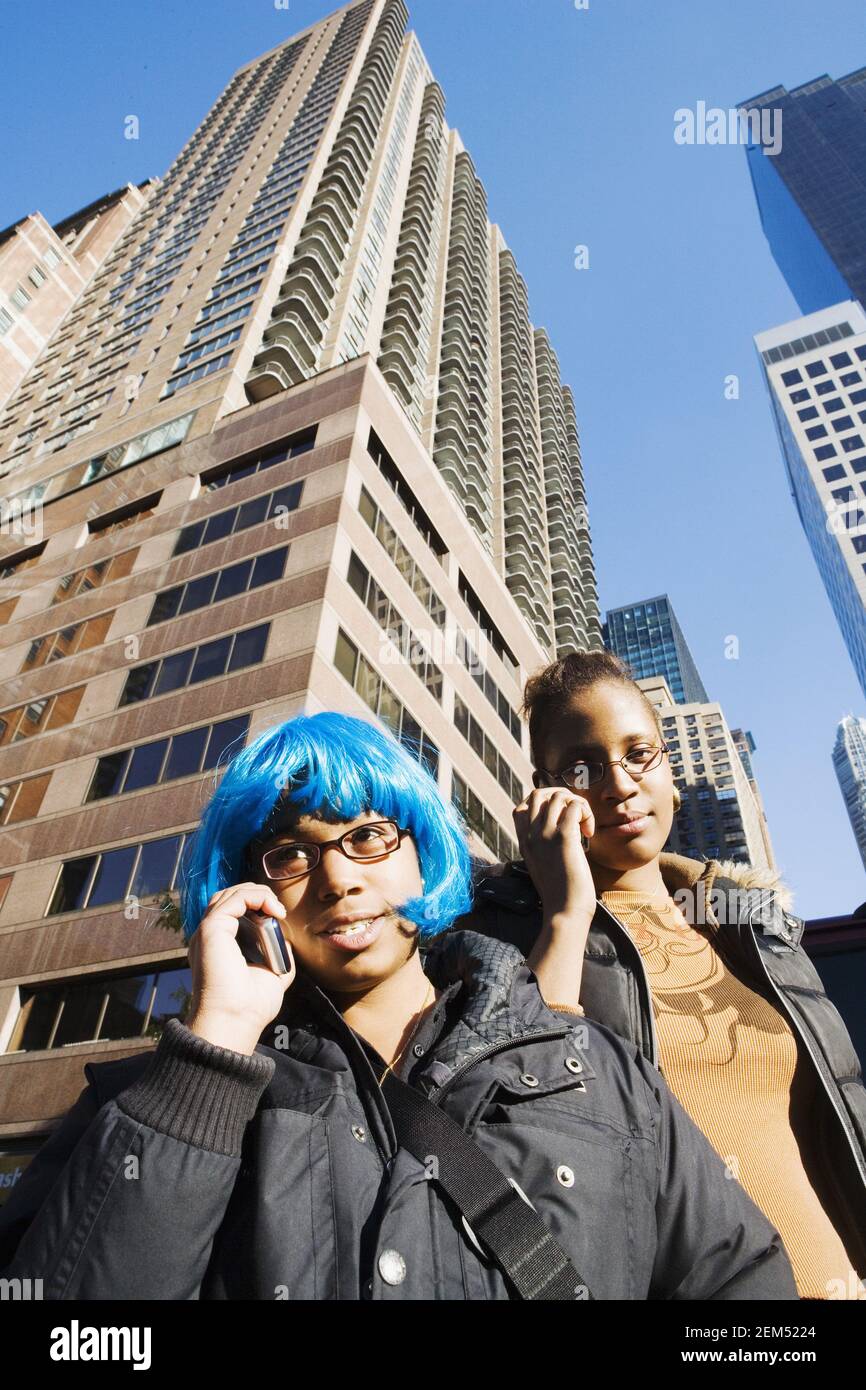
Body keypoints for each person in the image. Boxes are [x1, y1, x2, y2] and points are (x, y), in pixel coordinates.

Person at [0, 711, 798, 1300]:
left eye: (369, 836)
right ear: (250, 892)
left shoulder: (600, 1073)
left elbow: (741, 1281)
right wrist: (211, 1056)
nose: (340, 878)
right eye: (290, 855)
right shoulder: (147, 1108)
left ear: (423, 853)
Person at [455, 650, 866, 1301]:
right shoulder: (508, 934)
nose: (618, 783)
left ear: (669, 767)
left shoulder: (757, 929)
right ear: (545, 788)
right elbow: (524, 1114)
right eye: (583, 766)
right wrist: (566, 908)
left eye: (638, 753)